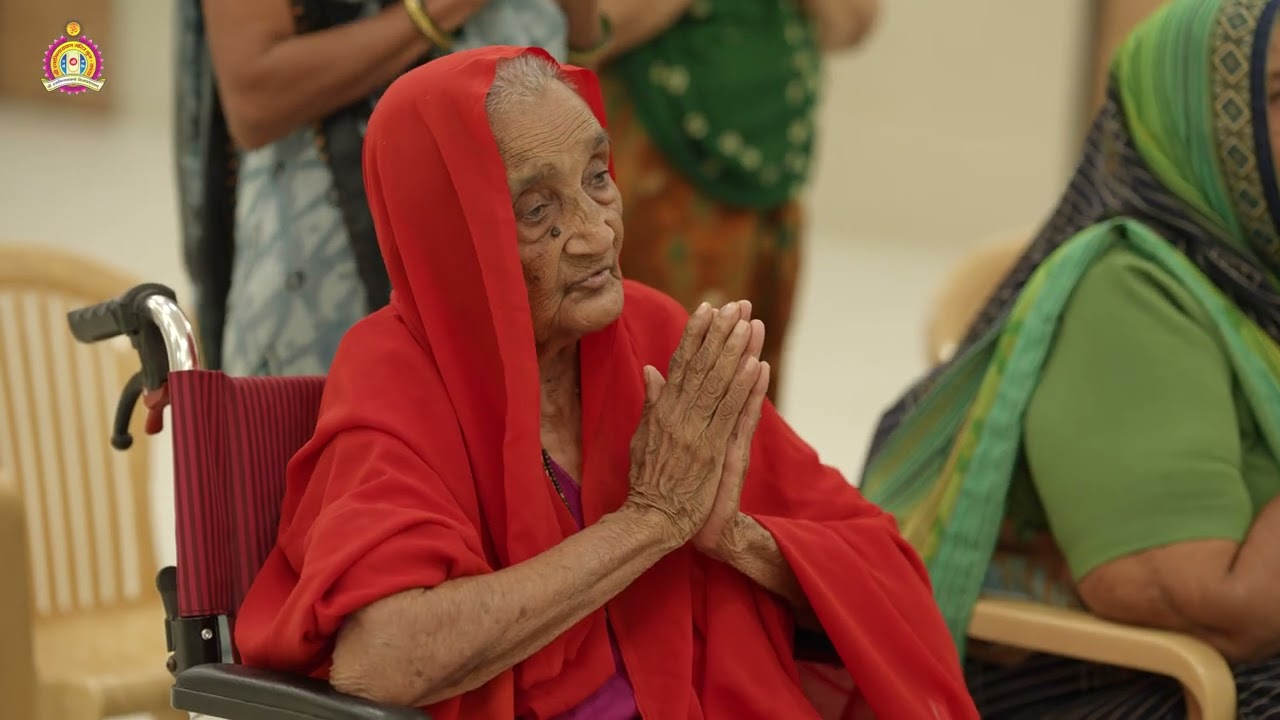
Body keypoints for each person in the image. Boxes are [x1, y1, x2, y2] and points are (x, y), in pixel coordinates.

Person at [232, 46, 977, 719]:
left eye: (597, 178)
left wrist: (737, 541)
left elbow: (879, 566)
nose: (595, 233)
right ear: (454, 232)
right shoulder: (395, 378)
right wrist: (648, 523)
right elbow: (382, 660)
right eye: (536, 209)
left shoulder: (652, 336)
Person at [860, 0, 1280, 716]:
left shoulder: (1258, 280)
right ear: (1199, 125)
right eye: (1278, 93)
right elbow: (1220, 611)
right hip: (1117, 689)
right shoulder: (1126, 295)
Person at [174, 0, 608, 376]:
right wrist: (439, 9)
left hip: (529, 257)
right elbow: (255, 96)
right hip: (332, 271)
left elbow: (581, 43)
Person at [591, 0, 880, 402]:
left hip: (770, 160)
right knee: (645, 382)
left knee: (749, 389)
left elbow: (854, 25)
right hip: (654, 160)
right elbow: (579, 29)